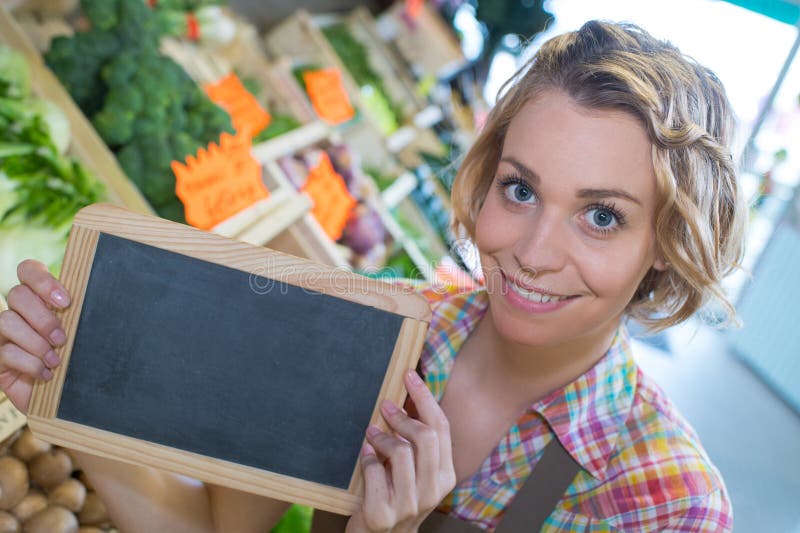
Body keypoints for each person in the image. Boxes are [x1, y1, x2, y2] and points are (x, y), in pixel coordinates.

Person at [0, 20, 745, 532]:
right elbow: (208, 525)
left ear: (666, 243)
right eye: (520, 189)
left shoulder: (669, 504)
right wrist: (58, 378)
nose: (535, 251)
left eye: (602, 216)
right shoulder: (368, 331)